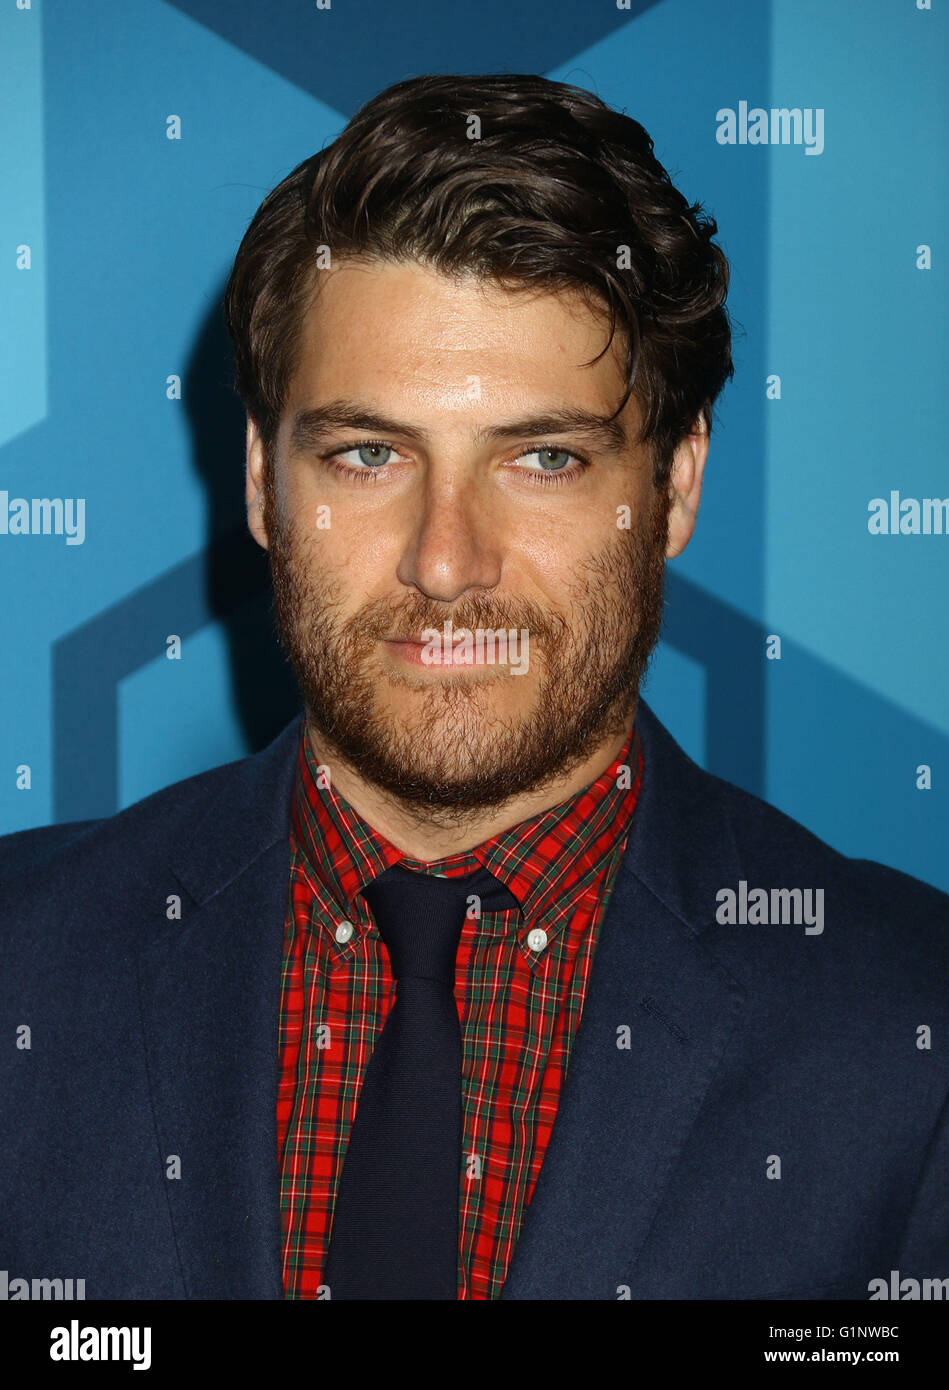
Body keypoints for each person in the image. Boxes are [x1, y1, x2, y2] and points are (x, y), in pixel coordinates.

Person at [1, 73, 947, 1303]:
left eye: (543, 458)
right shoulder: (23, 966)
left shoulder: (908, 1030)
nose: (446, 560)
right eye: (369, 453)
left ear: (673, 486)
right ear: (260, 482)